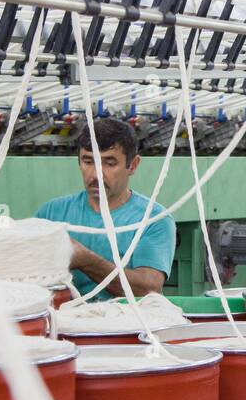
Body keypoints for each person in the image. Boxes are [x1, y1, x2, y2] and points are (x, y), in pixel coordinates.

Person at [35, 117, 176, 298]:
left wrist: (85, 260)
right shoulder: (51, 213)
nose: (96, 174)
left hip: (126, 323)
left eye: (109, 163)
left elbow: (148, 289)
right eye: (88, 161)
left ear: (132, 165)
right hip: (63, 322)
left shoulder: (154, 219)